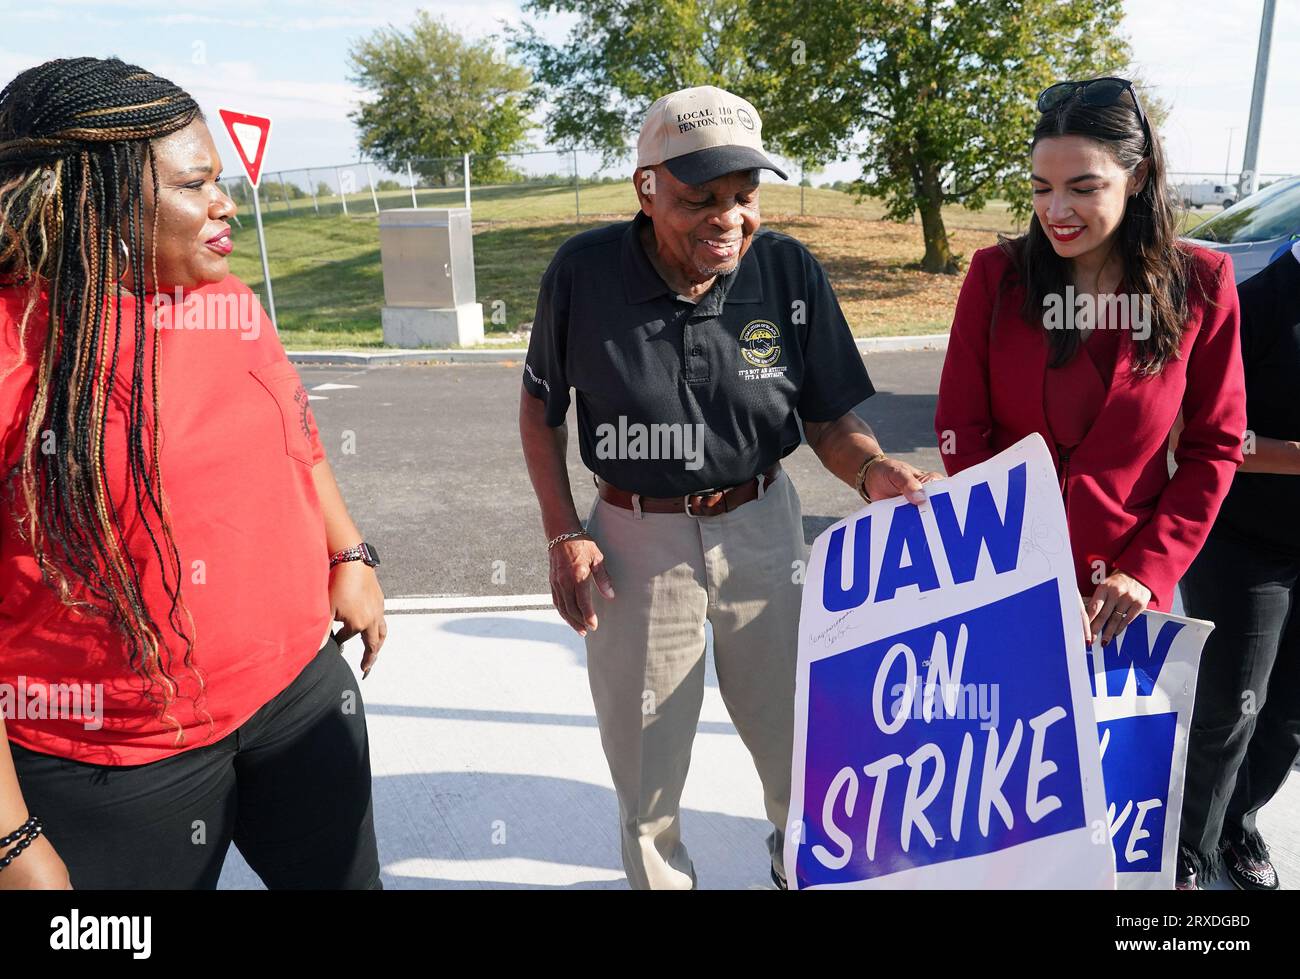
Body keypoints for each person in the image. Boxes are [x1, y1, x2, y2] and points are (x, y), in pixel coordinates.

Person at [519, 84, 938, 890]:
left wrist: (868, 467)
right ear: (646, 189)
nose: (728, 218)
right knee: (646, 768)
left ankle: (803, 868)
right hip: (634, 542)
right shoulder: (583, 272)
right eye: (698, 197)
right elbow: (541, 413)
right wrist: (562, 531)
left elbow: (827, 418)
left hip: (764, 527)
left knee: (801, 743)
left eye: (744, 196)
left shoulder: (785, 270)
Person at [0, 57, 386, 889]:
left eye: (221, 179)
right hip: (114, 760)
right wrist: (9, 839)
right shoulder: (12, 345)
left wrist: (349, 552)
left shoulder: (228, 301)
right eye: (195, 185)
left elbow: (298, 435)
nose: (225, 204)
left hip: (299, 696)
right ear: (89, 201)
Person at [935, 77, 1246, 654]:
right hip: (1005, 578)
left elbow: (1215, 448)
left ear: (1139, 176)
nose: (1057, 211)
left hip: (1125, 603)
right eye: (1041, 188)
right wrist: (1020, 560)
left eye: (1083, 188)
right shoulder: (994, 276)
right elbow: (961, 430)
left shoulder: (1202, 284)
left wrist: (1148, 570)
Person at [1176, 241, 1300, 891]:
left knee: (1286, 716)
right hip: (1245, 548)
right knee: (1230, 706)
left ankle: (1236, 822)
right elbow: (1210, 435)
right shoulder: (1258, 303)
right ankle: (1189, 845)